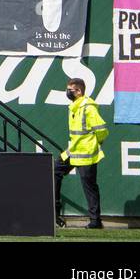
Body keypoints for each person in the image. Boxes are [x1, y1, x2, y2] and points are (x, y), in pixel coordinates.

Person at [54, 77, 108, 229]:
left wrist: (97, 143)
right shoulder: (75, 106)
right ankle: (54, 211)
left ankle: (95, 221)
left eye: (70, 90)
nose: (67, 93)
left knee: (89, 186)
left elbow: (102, 130)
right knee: (55, 170)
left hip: (86, 153)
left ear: (78, 91)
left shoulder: (88, 107)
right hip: (73, 151)